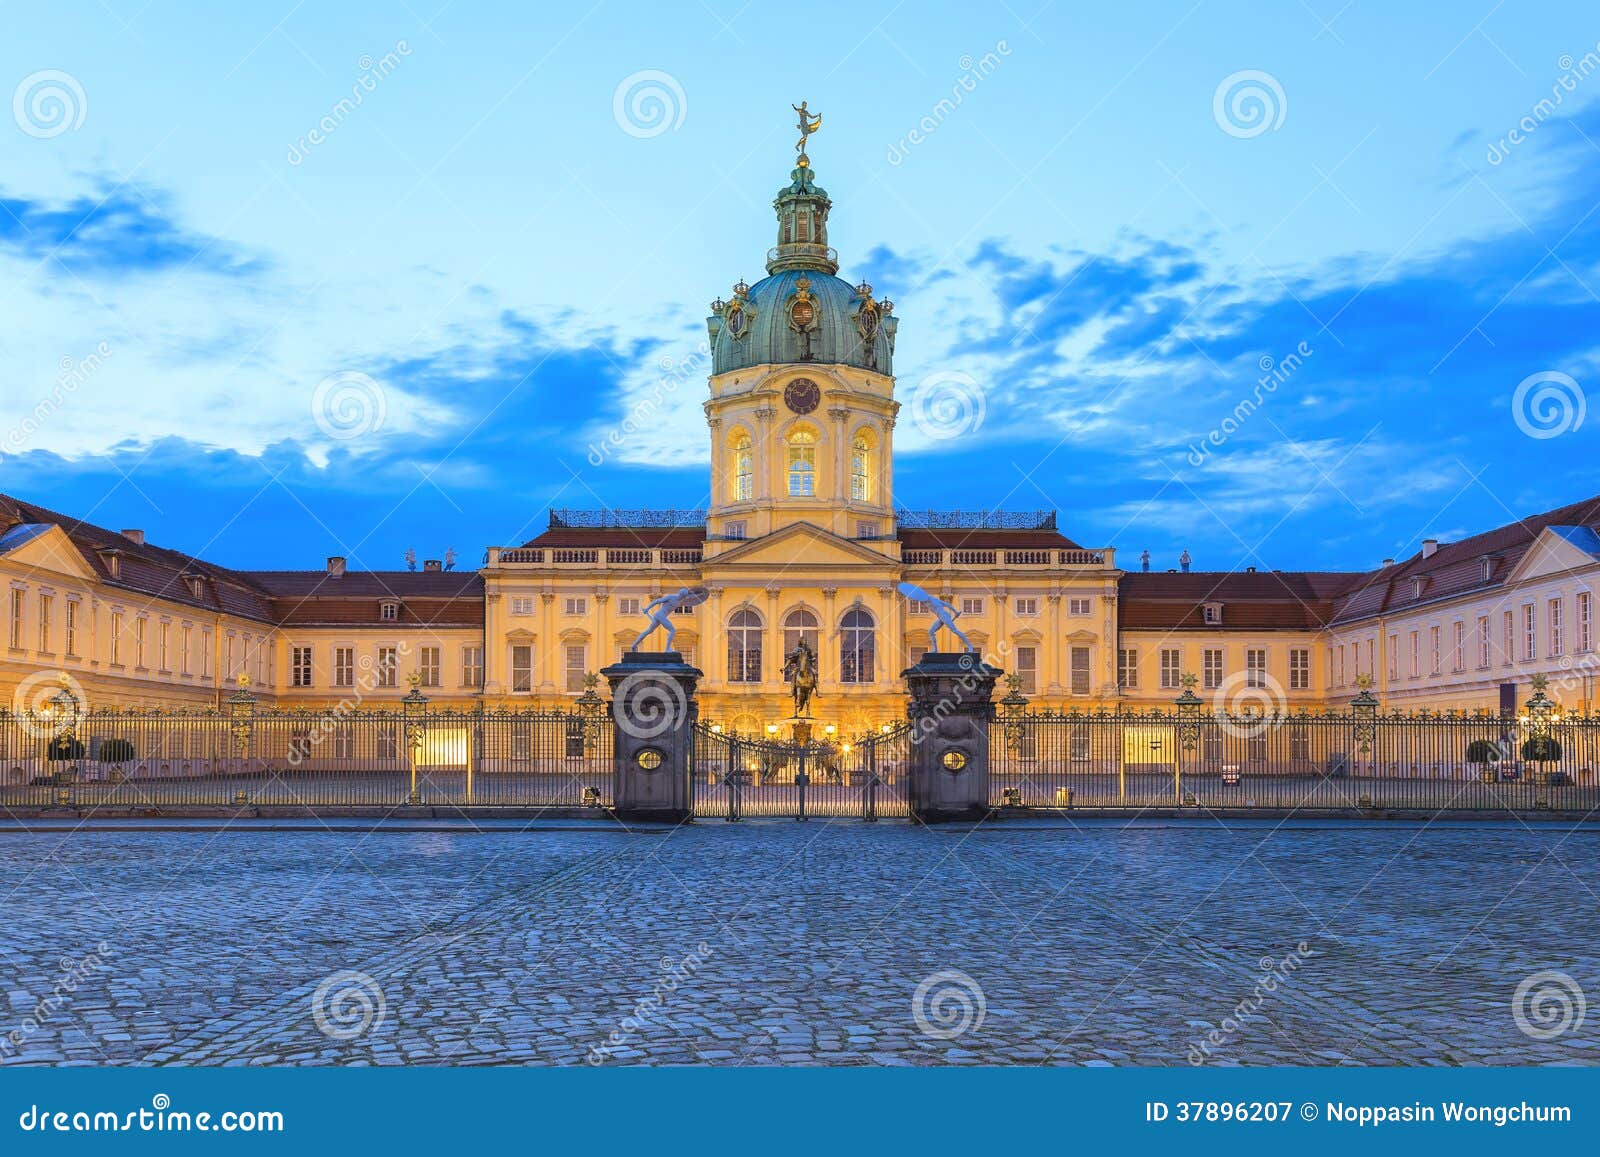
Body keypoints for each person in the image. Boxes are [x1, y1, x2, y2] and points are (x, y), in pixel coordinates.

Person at [896, 581, 975, 652]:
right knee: (931, 631)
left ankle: (970, 646)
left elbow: (947, 604)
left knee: (955, 631)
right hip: (940, 617)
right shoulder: (927, 600)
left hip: (944, 615)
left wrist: (955, 611)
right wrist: (955, 611)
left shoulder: (931, 600)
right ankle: (935, 649)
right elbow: (914, 595)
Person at [631, 586, 707, 652]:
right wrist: (647, 608)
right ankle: (667, 649)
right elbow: (657, 601)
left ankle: (634, 645)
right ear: (681, 594)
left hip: (659, 616)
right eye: (683, 596)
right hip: (660, 615)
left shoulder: (680, 602)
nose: (684, 597)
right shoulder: (670, 597)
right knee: (672, 630)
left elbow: (692, 596)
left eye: (684, 596)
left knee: (649, 631)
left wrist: (701, 593)